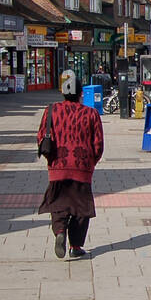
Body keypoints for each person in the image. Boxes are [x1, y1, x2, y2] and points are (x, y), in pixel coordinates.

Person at [37, 69, 104, 259]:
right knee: (81, 207)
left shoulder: (51, 110)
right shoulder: (91, 114)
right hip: (82, 167)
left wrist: (51, 160)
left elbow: (41, 136)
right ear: (81, 93)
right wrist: (92, 162)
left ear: (63, 92)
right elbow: (98, 143)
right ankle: (76, 245)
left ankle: (60, 232)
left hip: (58, 165)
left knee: (58, 202)